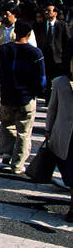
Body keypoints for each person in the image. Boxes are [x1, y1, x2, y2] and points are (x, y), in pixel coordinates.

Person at [0, 19, 46, 176]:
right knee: (24, 132)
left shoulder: (4, 50)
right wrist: (39, 92)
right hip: (26, 97)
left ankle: (6, 152)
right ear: (29, 34)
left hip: (6, 96)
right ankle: (18, 164)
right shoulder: (35, 53)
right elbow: (42, 79)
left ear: (15, 33)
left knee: (7, 125)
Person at [44, 52, 73, 221]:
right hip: (65, 134)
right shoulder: (60, 83)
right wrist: (48, 129)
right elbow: (52, 109)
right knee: (69, 170)